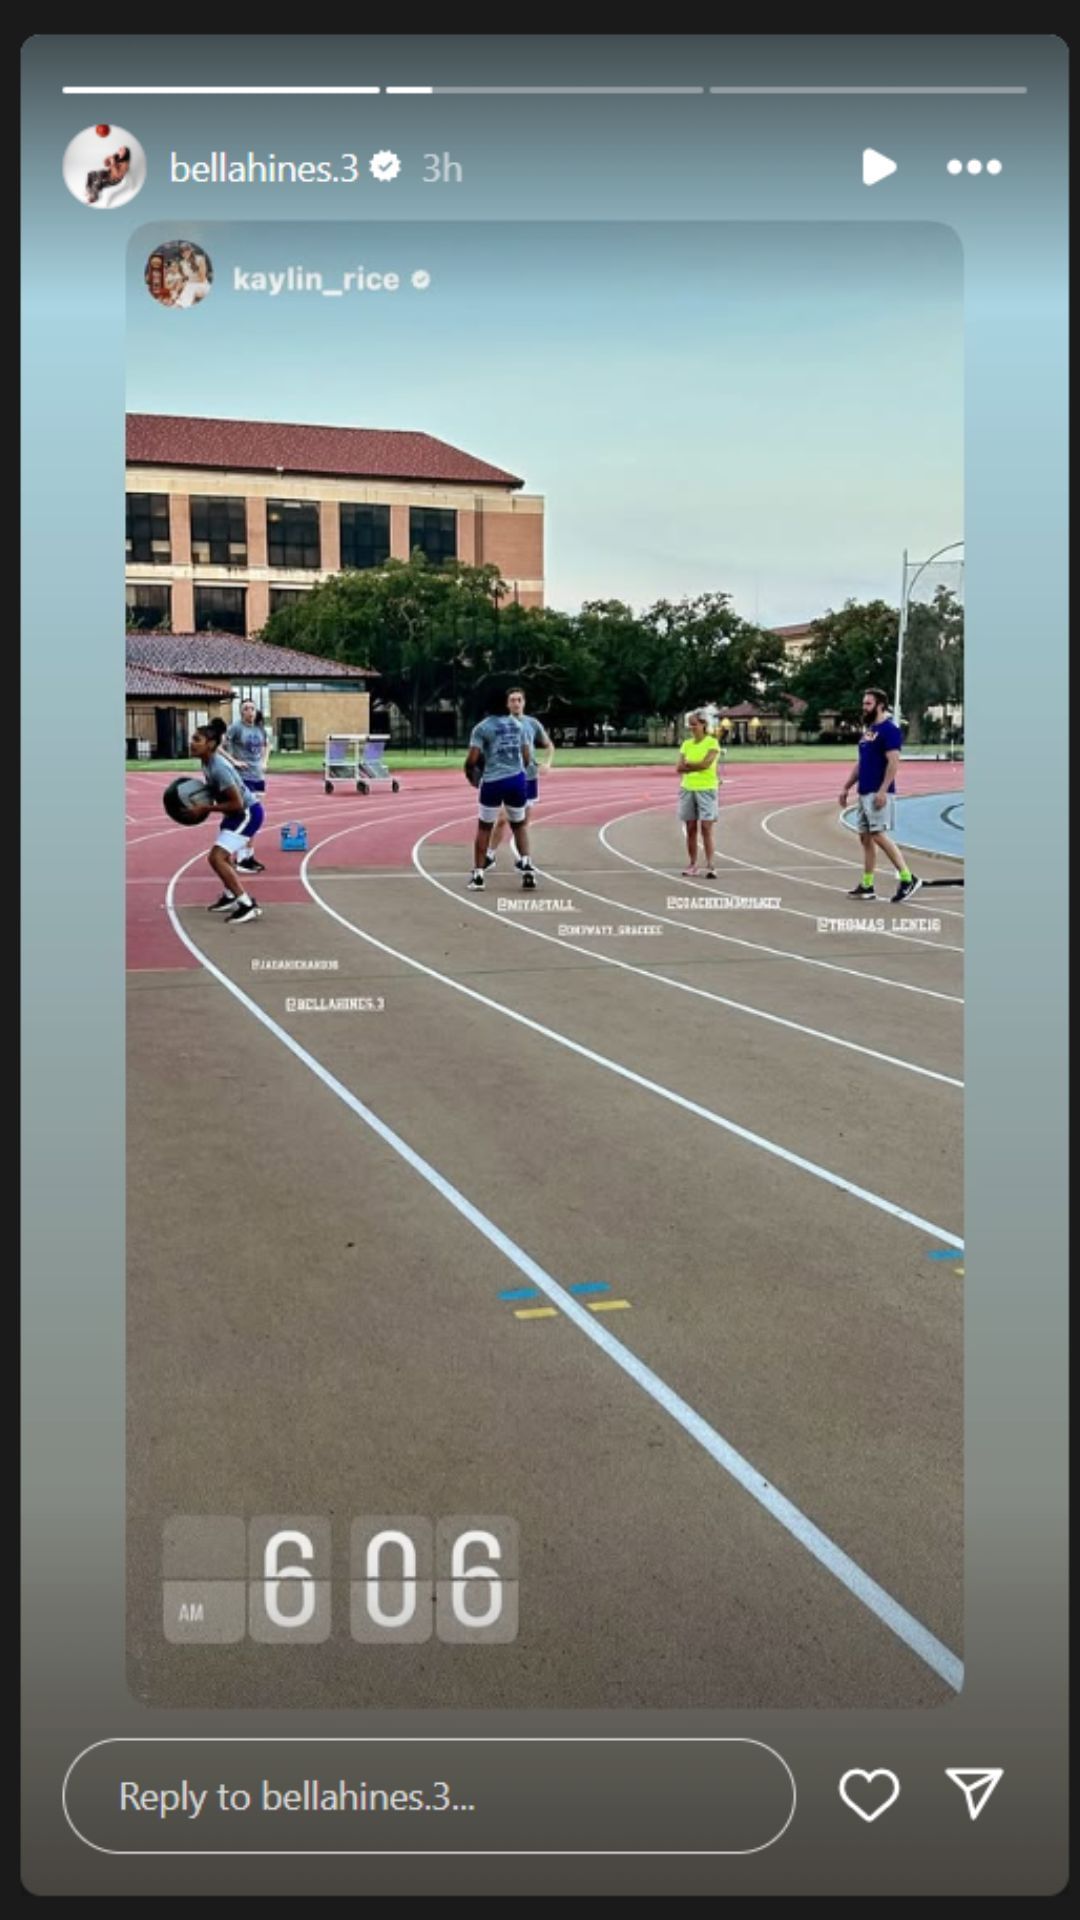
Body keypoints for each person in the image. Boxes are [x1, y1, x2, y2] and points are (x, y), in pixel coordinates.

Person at [839, 688, 922, 902]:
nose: (864, 707)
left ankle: (907, 877)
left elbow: (894, 763)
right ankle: (867, 886)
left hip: (878, 793)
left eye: (868, 704)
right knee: (865, 838)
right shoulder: (869, 731)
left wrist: (883, 790)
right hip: (864, 791)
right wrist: (846, 786)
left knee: (877, 834)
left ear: (880, 705)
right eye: (864, 703)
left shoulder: (890, 730)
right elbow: (861, 763)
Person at [188, 718, 263, 925]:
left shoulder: (219, 767)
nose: (191, 742)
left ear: (210, 744)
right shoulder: (207, 762)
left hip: (247, 814)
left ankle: (247, 904)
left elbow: (237, 804)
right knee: (224, 856)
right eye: (192, 738)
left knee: (216, 858)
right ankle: (230, 897)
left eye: (197, 739)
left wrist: (205, 808)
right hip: (235, 815)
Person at [464, 691, 536, 892]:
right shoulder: (519, 725)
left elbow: (472, 759)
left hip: (493, 781)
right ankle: (527, 866)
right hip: (516, 779)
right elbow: (527, 756)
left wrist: (470, 775)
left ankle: (478, 876)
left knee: (484, 827)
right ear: (505, 705)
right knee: (519, 825)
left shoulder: (482, 728)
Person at [487, 688, 554, 869]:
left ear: (523, 703)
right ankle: (490, 855)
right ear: (507, 704)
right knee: (502, 818)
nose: (516, 703)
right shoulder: (500, 724)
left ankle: (522, 859)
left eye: (519, 700)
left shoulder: (532, 723)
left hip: (529, 778)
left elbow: (549, 745)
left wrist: (547, 763)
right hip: (507, 776)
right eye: (512, 700)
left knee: (522, 823)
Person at [222, 700, 270, 876]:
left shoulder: (259, 728)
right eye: (246, 709)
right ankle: (241, 858)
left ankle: (249, 856)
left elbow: (266, 744)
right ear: (241, 712)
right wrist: (233, 761)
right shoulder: (236, 728)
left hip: (258, 777)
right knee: (247, 817)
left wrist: (265, 761)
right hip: (243, 778)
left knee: (256, 818)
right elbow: (219, 746)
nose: (250, 712)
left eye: (252, 708)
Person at [676, 709, 721, 877]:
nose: (692, 728)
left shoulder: (712, 743)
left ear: (704, 725)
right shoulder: (686, 744)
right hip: (687, 789)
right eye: (690, 725)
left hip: (707, 789)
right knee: (690, 828)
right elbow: (679, 767)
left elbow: (706, 765)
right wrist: (692, 766)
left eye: (694, 724)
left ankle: (711, 865)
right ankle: (692, 864)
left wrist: (690, 766)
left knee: (706, 827)